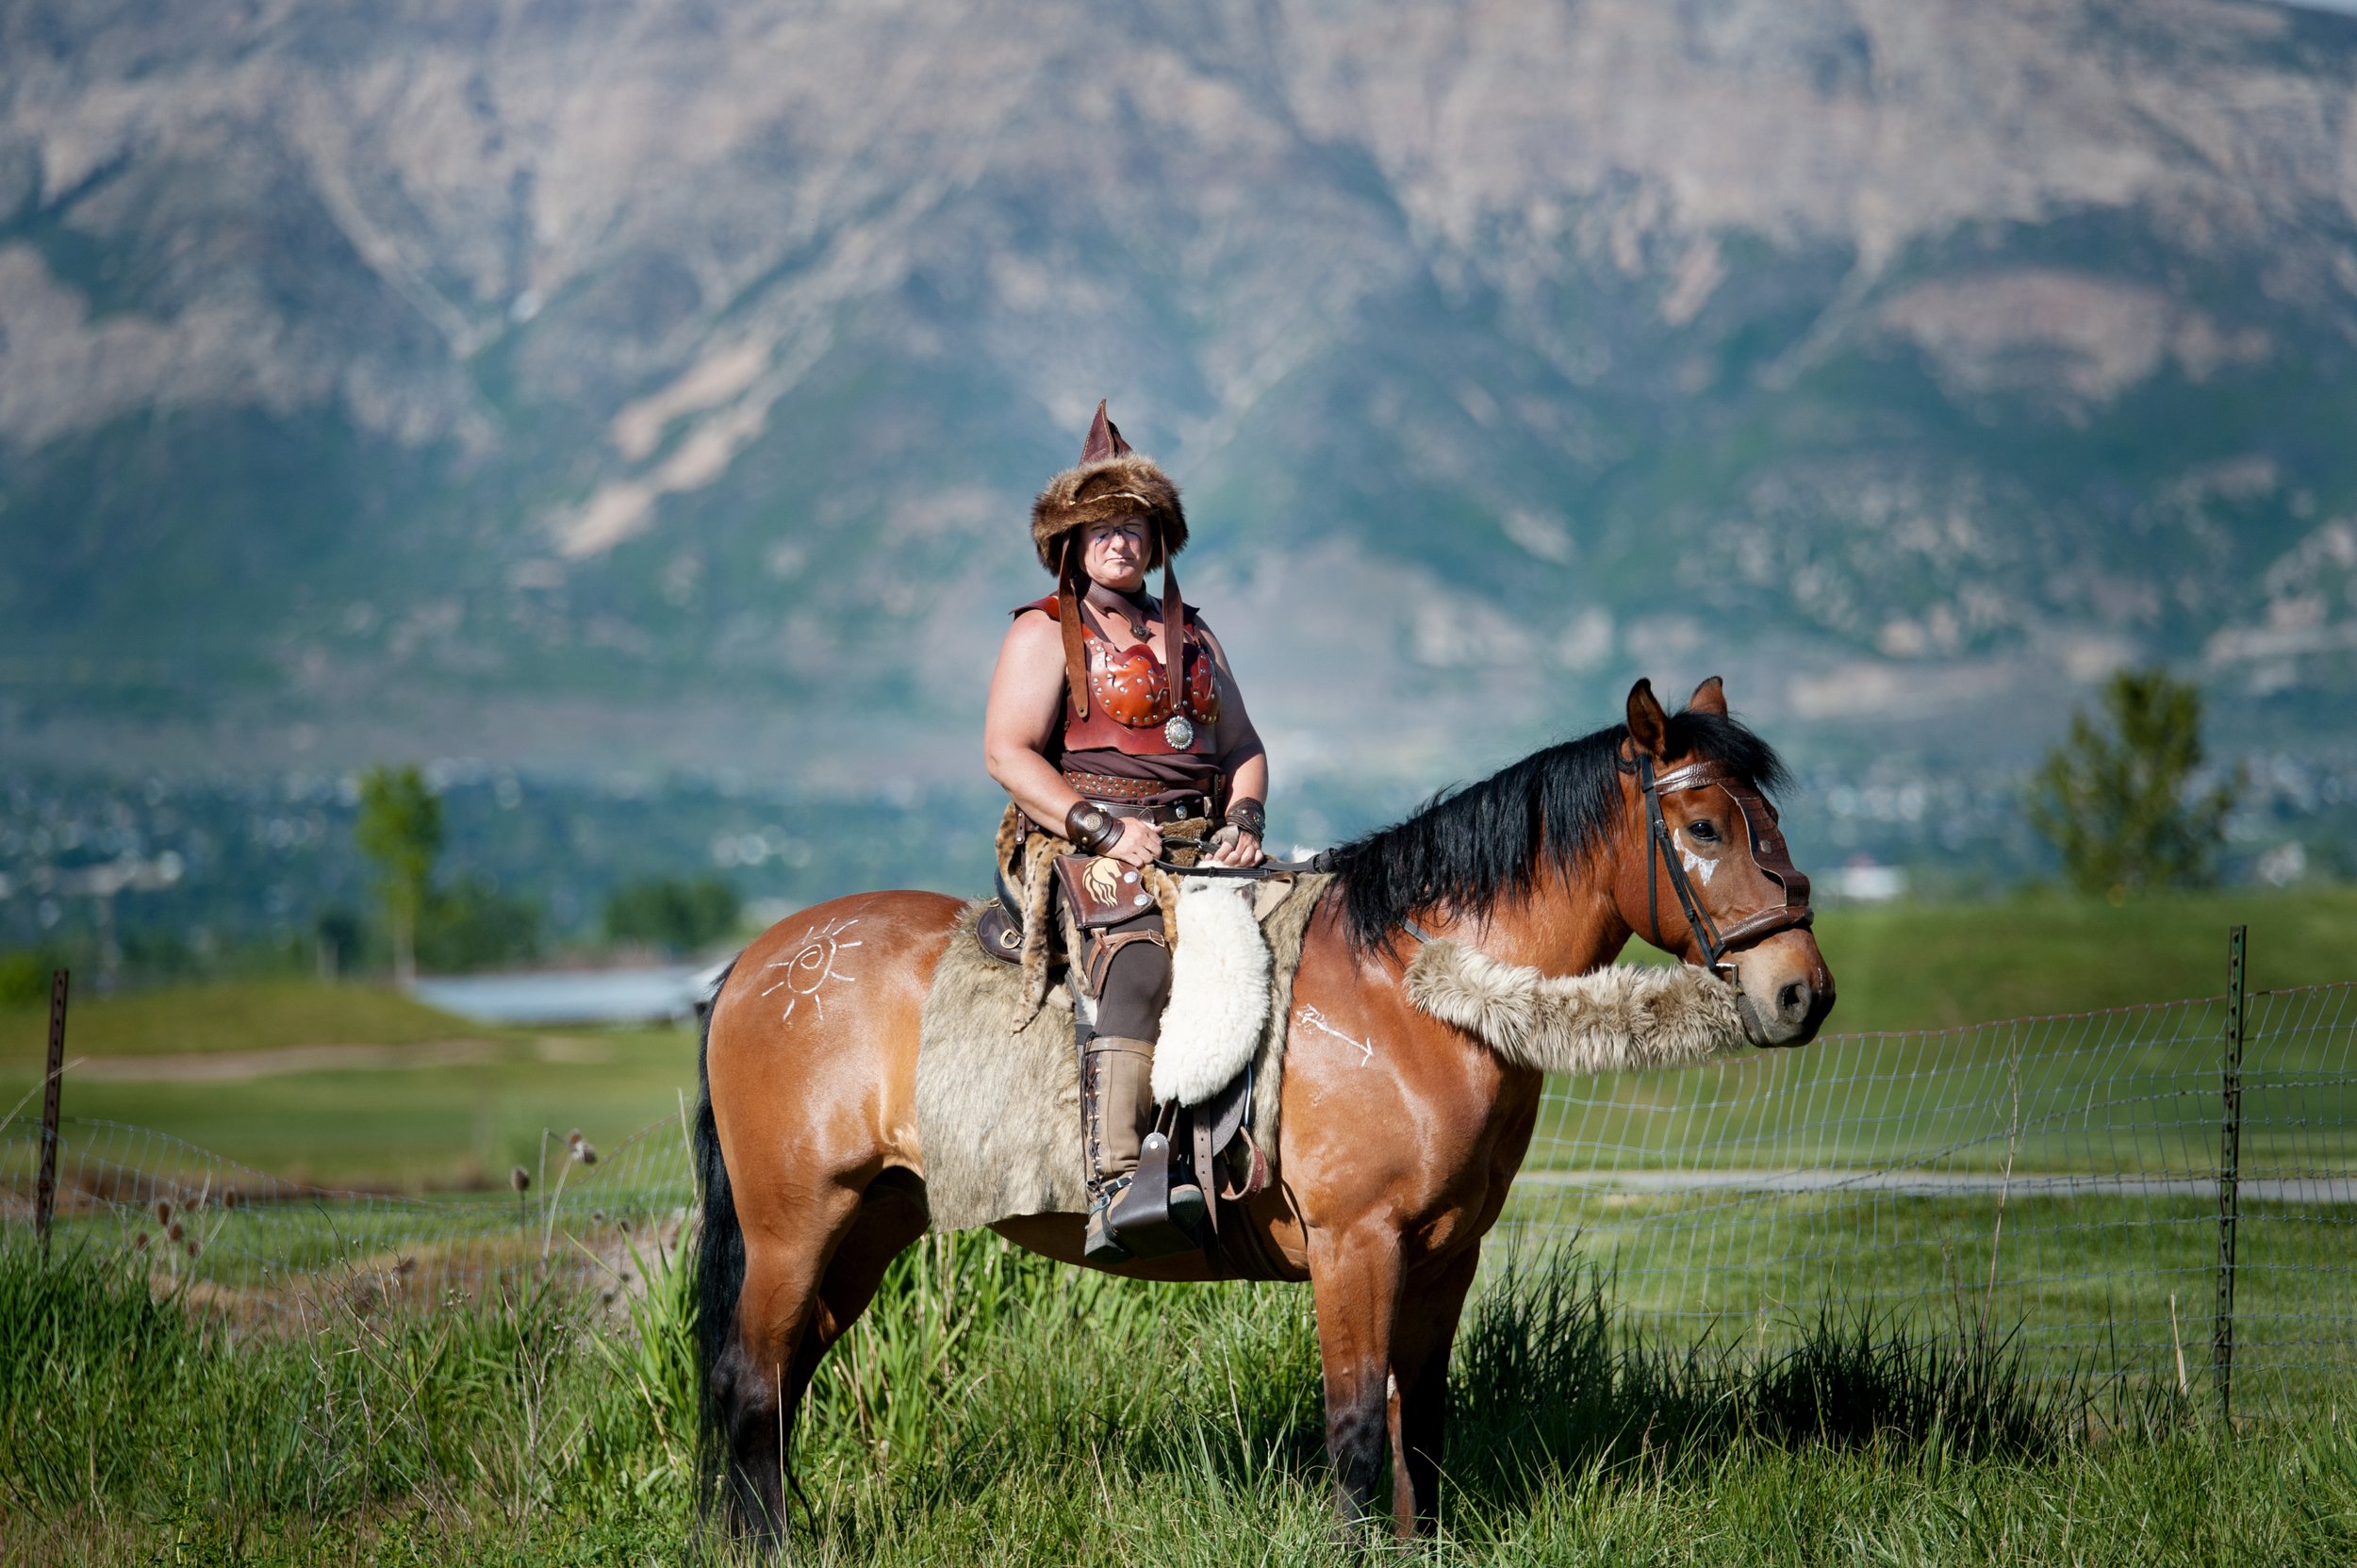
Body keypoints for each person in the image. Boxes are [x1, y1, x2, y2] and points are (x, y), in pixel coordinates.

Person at [983, 401, 1268, 1262]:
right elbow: (1006, 752)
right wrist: (1103, 828)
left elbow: (1245, 746)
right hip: (1078, 837)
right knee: (1137, 957)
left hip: (1197, 842)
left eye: (1136, 525)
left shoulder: (1196, 634)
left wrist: (1245, 819)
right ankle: (1115, 1183)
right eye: (1102, 526)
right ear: (1070, 541)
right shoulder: (1042, 630)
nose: (1121, 539)